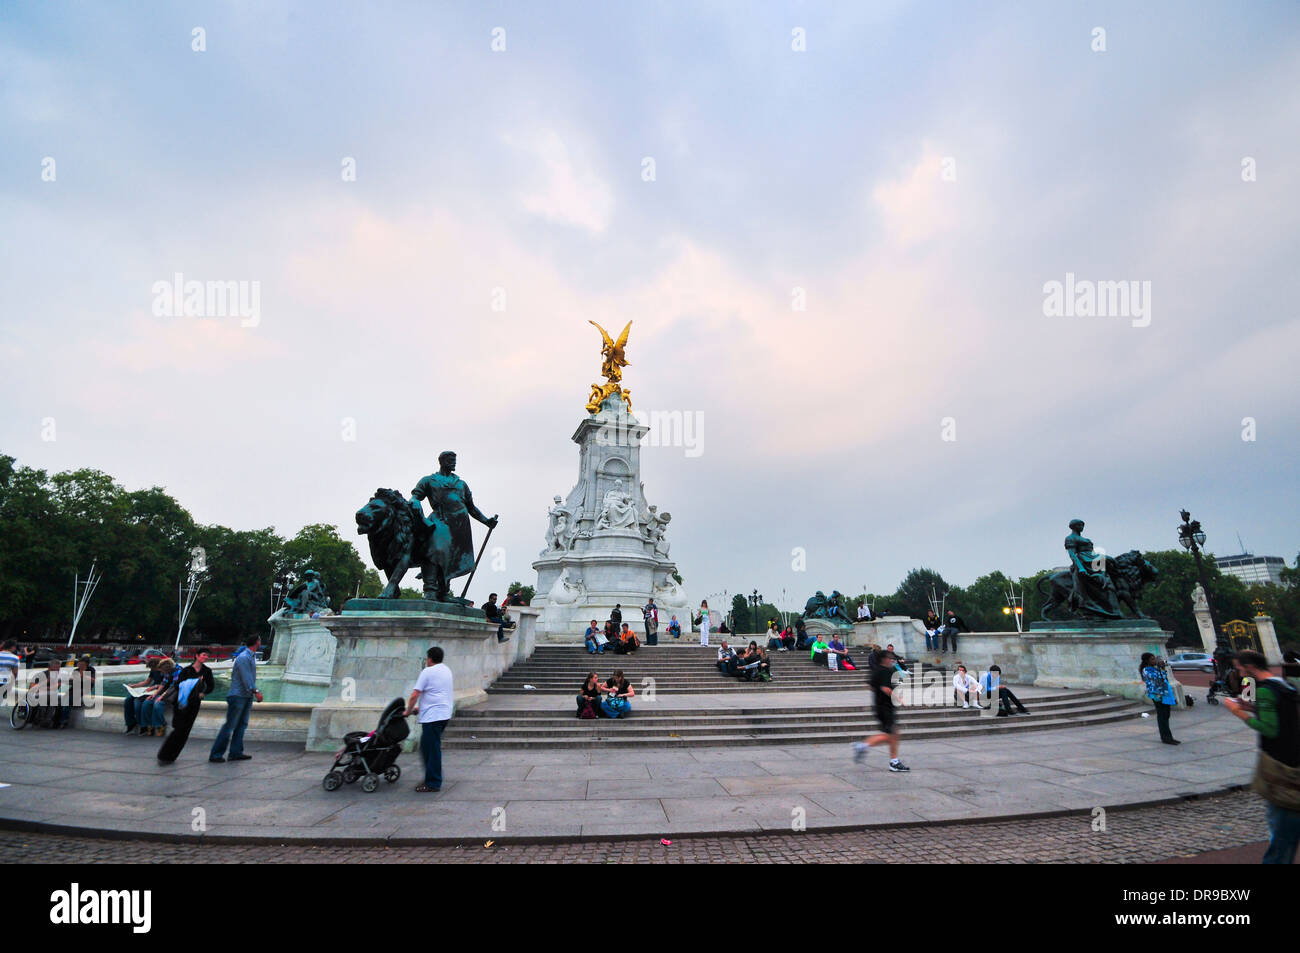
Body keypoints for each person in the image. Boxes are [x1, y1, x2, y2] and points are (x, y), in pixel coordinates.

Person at [1223, 650, 1300, 864]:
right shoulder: (1283, 684)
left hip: (1280, 765)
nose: (1238, 672)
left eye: (1239, 668)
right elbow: (1279, 714)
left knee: (1282, 834)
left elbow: (1269, 729)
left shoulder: (1265, 690)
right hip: (1293, 755)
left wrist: (1238, 712)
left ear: (1249, 667)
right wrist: (1253, 707)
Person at [404, 646, 453, 793]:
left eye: (427, 658)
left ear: (430, 658)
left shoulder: (427, 671)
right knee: (429, 747)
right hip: (443, 714)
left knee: (430, 749)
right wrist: (420, 709)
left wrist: (407, 711)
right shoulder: (446, 670)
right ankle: (432, 777)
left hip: (433, 717)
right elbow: (437, 693)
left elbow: (414, 695)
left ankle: (433, 782)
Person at [209, 635, 263, 763]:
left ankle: (236, 752)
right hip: (238, 695)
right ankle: (216, 754)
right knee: (230, 725)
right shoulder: (244, 657)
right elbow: (246, 678)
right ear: (257, 643)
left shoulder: (249, 656)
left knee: (241, 725)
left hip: (245, 696)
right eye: (260, 640)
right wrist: (256, 691)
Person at [853, 648, 909, 772]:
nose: (892, 660)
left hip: (881, 706)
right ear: (884, 659)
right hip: (885, 708)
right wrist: (898, 698)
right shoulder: (884, 671)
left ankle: (894, 761)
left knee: (894, 733)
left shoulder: (877, 671)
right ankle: (862, 746)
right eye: (890, 658)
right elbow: (886, 689)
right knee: (891, 734)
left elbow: (871, 686)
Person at [157, 650, 215, 763]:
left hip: (194, 703)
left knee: (185, 731)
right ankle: (164, 754)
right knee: (178, 728)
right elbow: (178, 685)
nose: (206, 657)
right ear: (197, 656)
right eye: (204, 655)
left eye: (208, 655)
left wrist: (203, 693)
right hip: (182, 702)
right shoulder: (186, 670)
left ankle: (172, 756)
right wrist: (193, 682)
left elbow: (211, 686)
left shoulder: (207, 671)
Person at [1139, 653, 1179, 744]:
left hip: (1164, 693)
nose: (1155, 661)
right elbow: (1156, 679)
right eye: (1152, 659)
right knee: (1162, 715)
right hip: (1157, 695)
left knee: (1166, 714)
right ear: (1147, 661)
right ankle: (1165, 737)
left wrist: (1162, 668)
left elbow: (1164, 677)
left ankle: (1168, 736)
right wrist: (1160, 668)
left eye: (1155, 659)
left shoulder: (1155, 669)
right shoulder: (1146, 670)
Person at [139, 658, 176, 736]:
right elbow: (163, 683)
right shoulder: (165, 671)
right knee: (147, 702)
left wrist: (161, 696)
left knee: (157, 703)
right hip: (165, 692)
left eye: (162, 671)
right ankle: (148, 725)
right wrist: (154, 695)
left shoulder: (178, 671)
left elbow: (173, 687)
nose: (161, 673)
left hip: (174, 692)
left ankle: (160, 724)